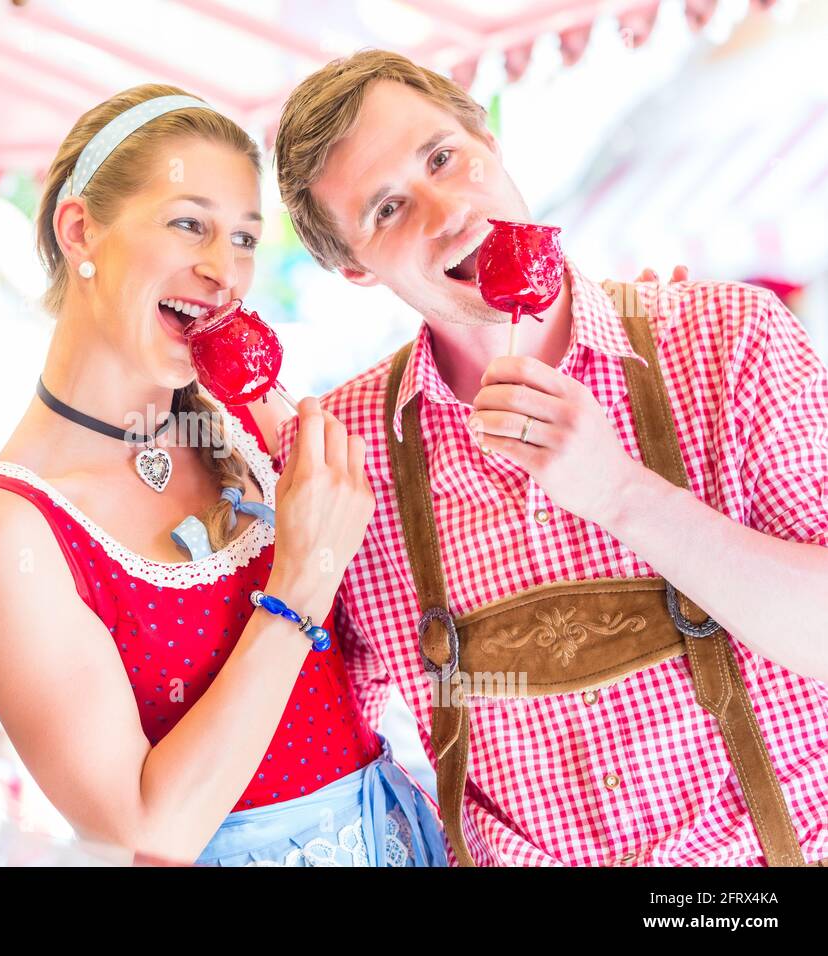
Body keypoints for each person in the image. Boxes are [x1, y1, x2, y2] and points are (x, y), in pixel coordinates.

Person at [270, 48, 828, 866]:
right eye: (388, 209)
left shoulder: (729, 339)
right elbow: (322, 760)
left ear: (489, 142)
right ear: (355, 267)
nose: (447, 211)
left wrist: (621, 493)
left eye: (443, 158)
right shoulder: (350, 459)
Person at [0, 84, 447, 866]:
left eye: (245, 239)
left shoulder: (253, 423)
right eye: (190, 225)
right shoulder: (10, 528)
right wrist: (300, 585)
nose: (225, 271)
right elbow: (146, 831)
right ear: (80, 230)